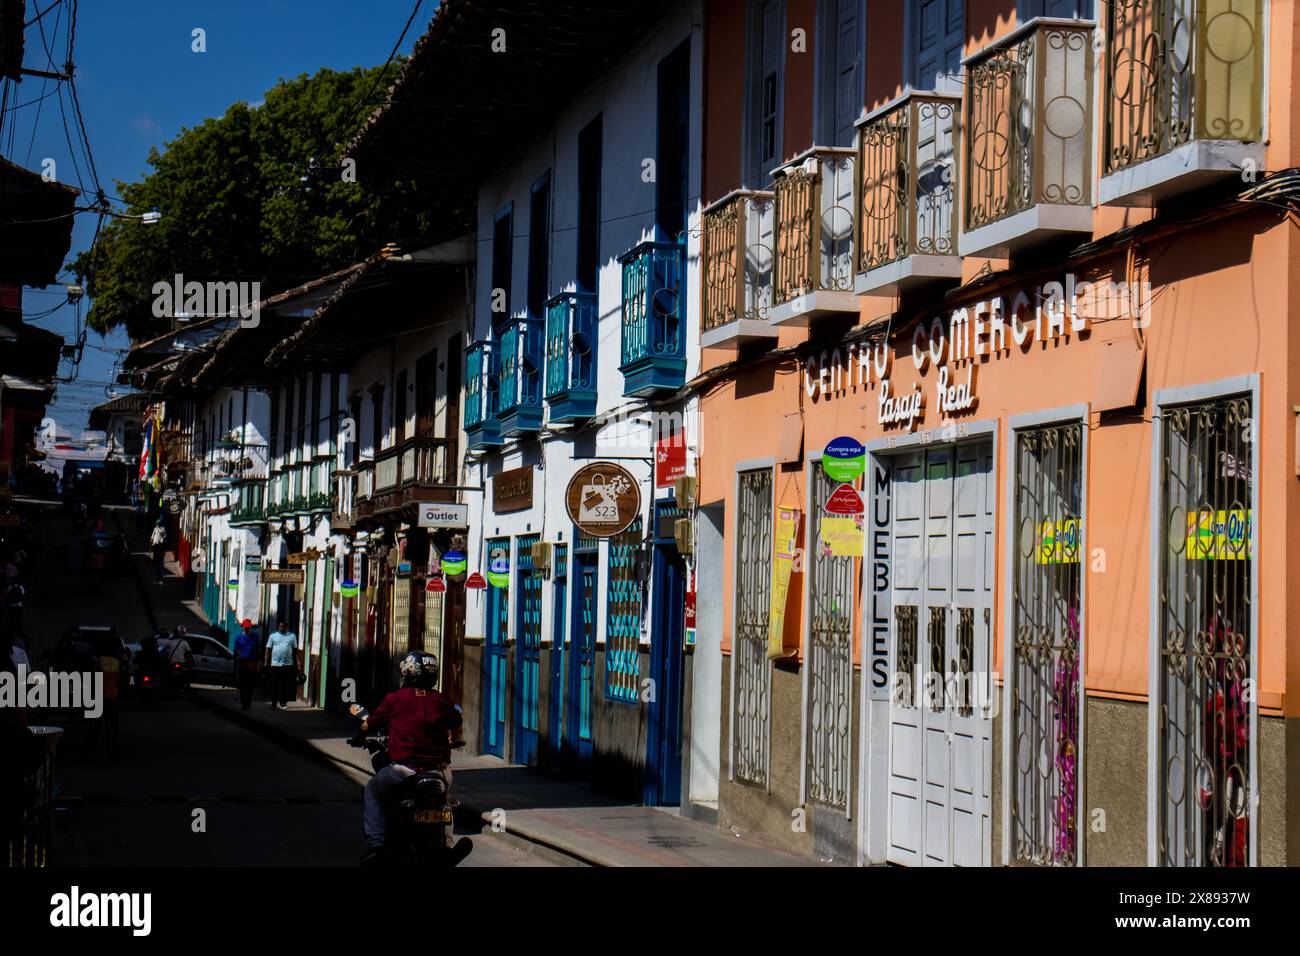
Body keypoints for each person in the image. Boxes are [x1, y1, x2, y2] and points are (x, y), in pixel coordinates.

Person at [354, 652, 463, 864]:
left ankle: (376, 844)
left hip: (404, 770)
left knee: (372, 792)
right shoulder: (442, 700)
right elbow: (456, 721)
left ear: (407, 673)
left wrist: (361, 733)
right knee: (445, 800)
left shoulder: (395, 699)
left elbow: (370, 722)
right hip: (440, 770)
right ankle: (448, 845)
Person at [263, 621, 298, 710]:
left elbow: (295, 650)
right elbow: (268, 649)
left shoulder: (292, 636)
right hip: (275, 664)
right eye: (280, 626)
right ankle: (274, 702)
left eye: (283, 626)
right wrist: (266, 661)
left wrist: (297, 662)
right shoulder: (273, 636)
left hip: (288, 664)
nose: (281, 628)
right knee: (274, 684)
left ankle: (283, 702)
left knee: (286, 685)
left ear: (286, 627)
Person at [233, 619, 260, 710]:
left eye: (248, 627)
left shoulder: (255, 636)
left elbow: (258, 649)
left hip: (252, 662)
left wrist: (258, 663)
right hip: (243, 662)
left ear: (250, 627)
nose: (247, 629)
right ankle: (243, 704)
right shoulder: (238, 638)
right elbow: (235, 651)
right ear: (243, 627)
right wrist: (235, 664)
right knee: (243, 685)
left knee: (251, 685)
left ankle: (248, 702)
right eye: (245, 627)